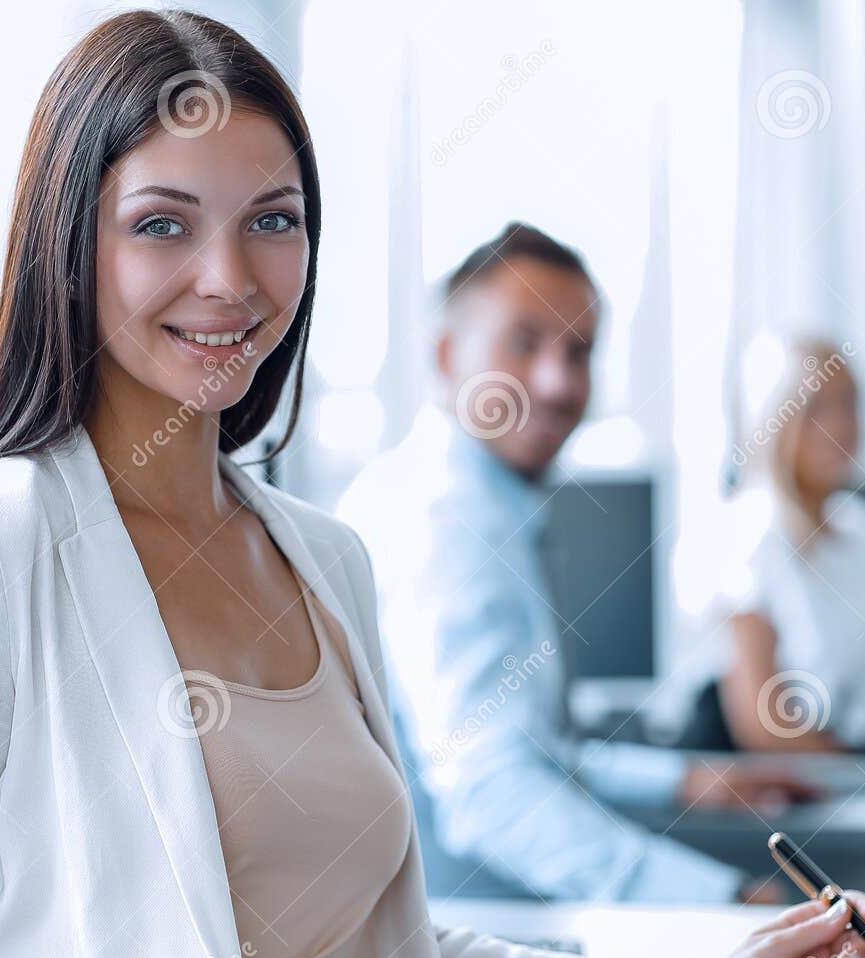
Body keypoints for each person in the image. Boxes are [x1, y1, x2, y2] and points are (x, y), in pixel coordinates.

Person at [0, 11, 865, 958]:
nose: (229, 277)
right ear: (70, 246)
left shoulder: (325, 559)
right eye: (163, 224)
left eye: (271, 220)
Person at [338, 224, 817, 906]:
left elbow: (534, 752)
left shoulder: (477, 499)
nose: (559, 381)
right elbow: (494, 792)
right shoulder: (444, 520)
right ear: (447, 355)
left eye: (580, 350)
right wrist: (722, 902)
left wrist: (680, 783)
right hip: (467, 945)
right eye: (524, 342)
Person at [671, 336, 865, 754]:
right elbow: (764, 728)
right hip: (759, 786)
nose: (840, 428)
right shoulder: (738, 538)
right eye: (814, 410)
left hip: (840, 766)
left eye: (849, 405)